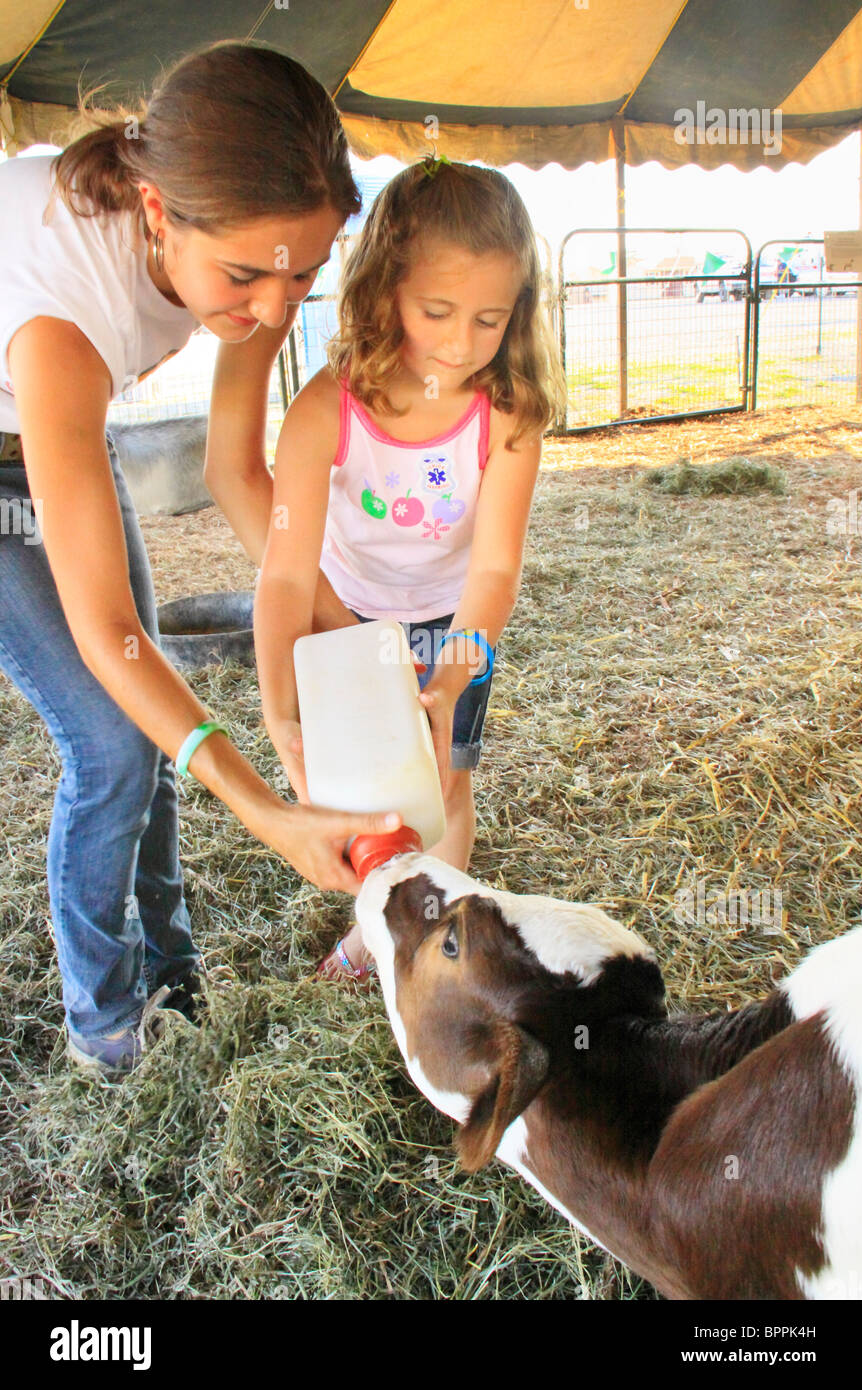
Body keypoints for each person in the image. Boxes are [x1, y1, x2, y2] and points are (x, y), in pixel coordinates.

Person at [0, 41, 402, 1073]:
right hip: (16, 445)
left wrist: (347, 642)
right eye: (243, 276)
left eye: (306, 271)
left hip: (54, 438)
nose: (273, 310)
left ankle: (176, 974)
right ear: (154, 211)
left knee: (161, 723)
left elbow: (234, 470)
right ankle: (107, 1025)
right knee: (112, 737)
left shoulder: (258, 247)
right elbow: (108, 636)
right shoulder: (59, 319)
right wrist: (266, 811)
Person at [256, 155, 565, 980]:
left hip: (453, 625)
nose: (462, 343)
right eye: (437, 310)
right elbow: (285, 575)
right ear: (385, 287)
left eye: (491, 320)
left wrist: (458, 667)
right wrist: (278, 703)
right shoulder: (326, 409)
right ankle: (377, 917)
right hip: (349, 623)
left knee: (446, 791)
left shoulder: (508, 418)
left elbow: (496, 568)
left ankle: (398, 945)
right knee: (370, 790)